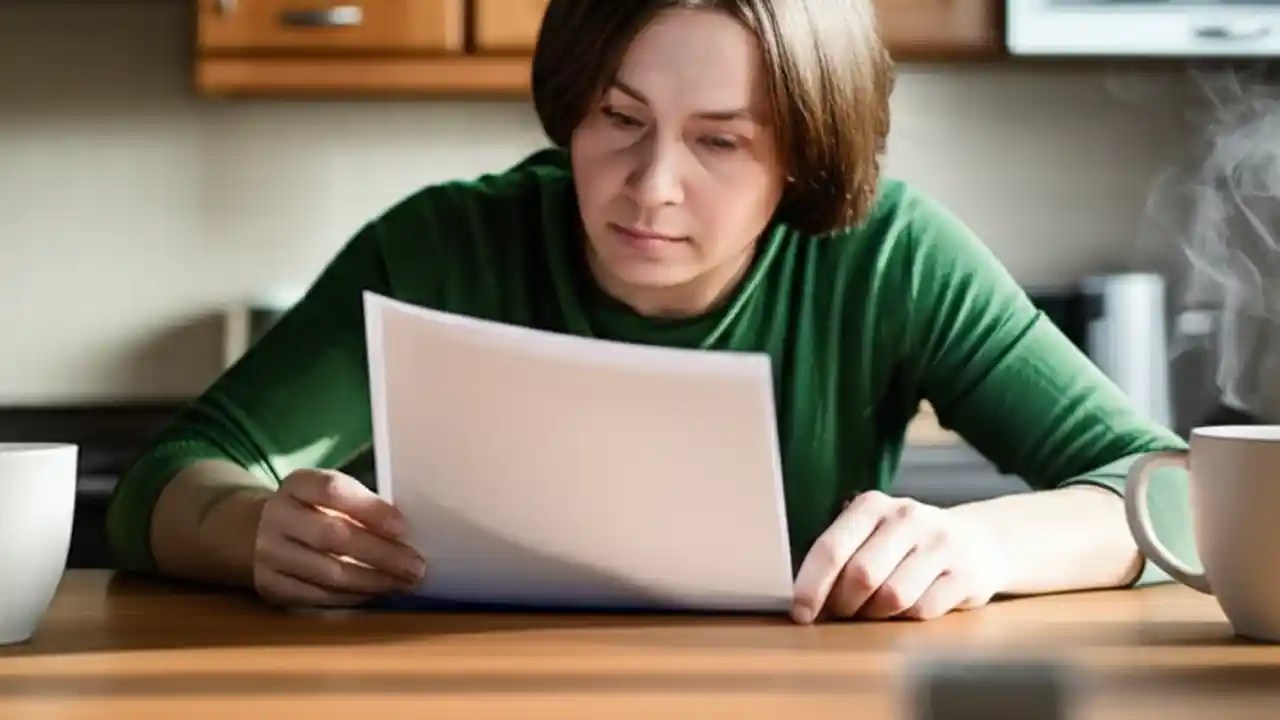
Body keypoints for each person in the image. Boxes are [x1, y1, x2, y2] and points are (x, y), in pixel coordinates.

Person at [106, 0, 1196, 624]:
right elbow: (169, 479)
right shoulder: (441, 246)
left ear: (800, 160)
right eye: (617, 118)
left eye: (719, 140)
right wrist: (257, 529)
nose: (649, 183)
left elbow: (1171, 500)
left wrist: (980, 546)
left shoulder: (886, 257)